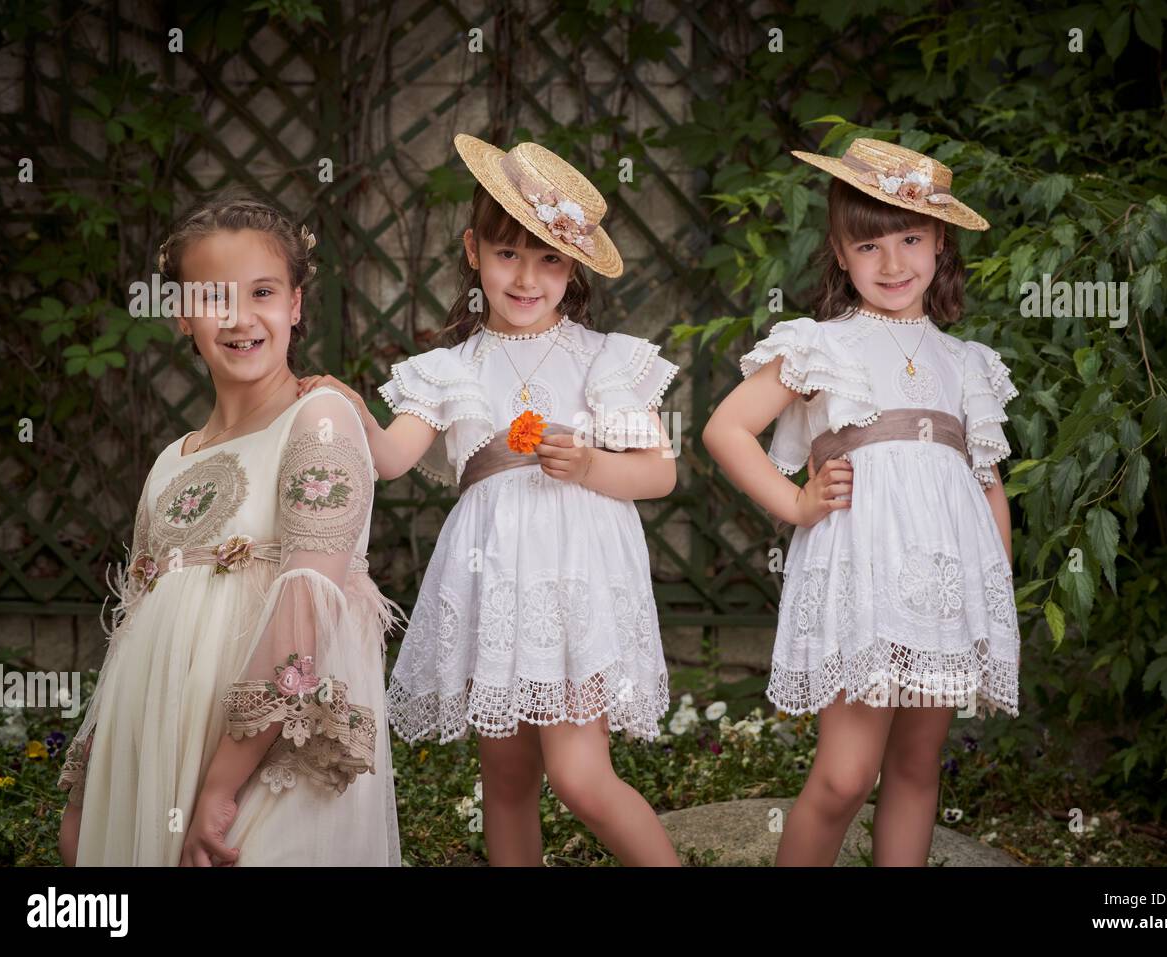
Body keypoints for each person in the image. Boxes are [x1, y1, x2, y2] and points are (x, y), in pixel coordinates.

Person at [298, 135, 681, 866]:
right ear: (474, 251)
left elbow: (660, 471)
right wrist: (346, 405)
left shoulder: (602, 359)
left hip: (575, 582)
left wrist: (593, 463)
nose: (527, 277)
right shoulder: (449, 369)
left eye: (549, 259)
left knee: (580, 775)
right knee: (505, 780)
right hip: (495, 581)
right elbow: (389, 458)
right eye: (509, 254)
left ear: (572, 268)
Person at [57, 192, 403, 866]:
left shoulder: (318, 419)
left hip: (267, 762)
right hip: (161, 758)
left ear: (295, 305)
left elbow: (305, 610)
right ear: (183, 315)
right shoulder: (170, 463)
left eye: (264, 292)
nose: (241, 318)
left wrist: (220, 787)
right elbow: (134, 630)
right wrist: (91, 787)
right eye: (215, 298)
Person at [703, 138, 1021, 866]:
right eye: (869, 244)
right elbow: (725, 428)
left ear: (940, 241)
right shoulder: (821, 346)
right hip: (864, 586)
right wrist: (797, 504)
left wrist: (992, 596)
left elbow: (985, 485)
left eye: (911, 239)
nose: (893, 263)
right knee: (846, 774)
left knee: (916, 767)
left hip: (942, 590)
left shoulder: (966, 364)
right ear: (840, 254)